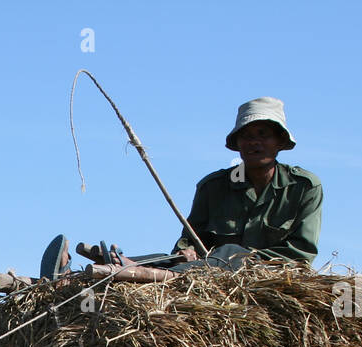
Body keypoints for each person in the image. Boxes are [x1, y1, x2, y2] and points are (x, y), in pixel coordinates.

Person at [38, 97, 322, 279]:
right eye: (246, 136)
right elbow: (189, 239)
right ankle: (77, 276)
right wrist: (186, 250)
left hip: (268, 275)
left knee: (230, 253)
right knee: (168, 258)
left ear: (280, 142)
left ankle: (125, 267)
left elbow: (301, 254)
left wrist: (240, 258)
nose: (254, 142)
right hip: (207, 272)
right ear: (237, 144)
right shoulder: (215, 186)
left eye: (263, 134)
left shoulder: (304, 187)